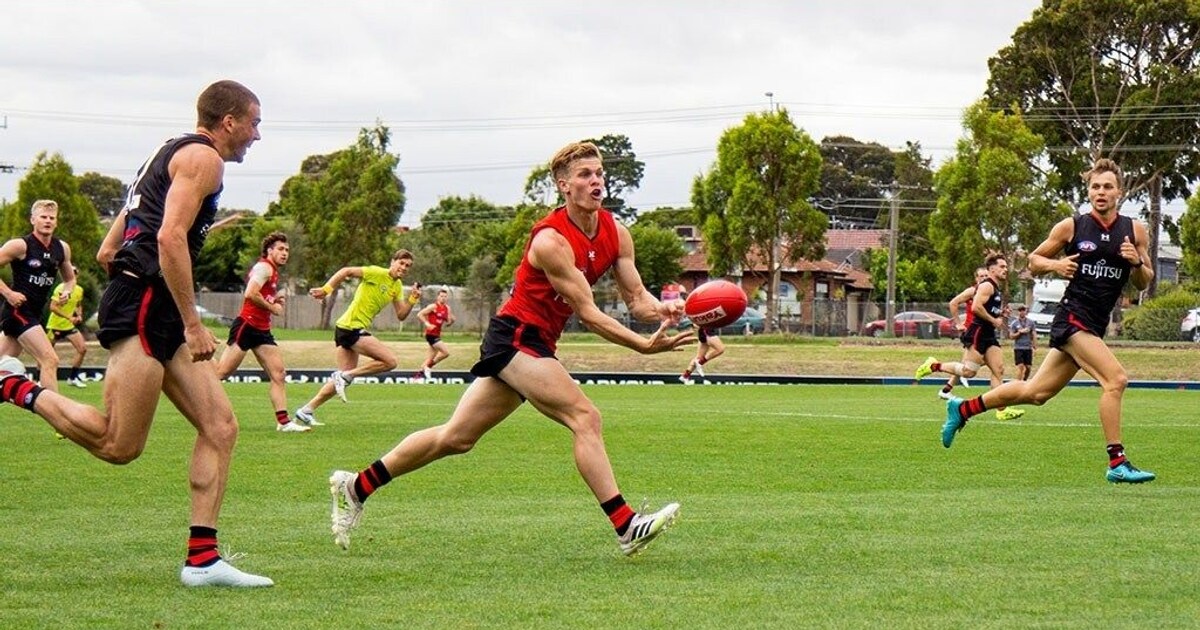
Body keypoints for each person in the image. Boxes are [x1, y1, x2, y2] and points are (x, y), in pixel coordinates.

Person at [326, 141, 693, 555]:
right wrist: (643, 346)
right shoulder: (550, 241)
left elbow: (637, 298)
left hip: (535, 342)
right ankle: (625, 526)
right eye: (585, 175)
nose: (596, 181)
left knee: (455, 438)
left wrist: (665, 308)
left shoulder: (617, 232)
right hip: (516, 336)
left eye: (600, 174)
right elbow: (588, 313)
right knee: (585, 416)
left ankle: (356, 486)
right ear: (564, 186)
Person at [0, 80, 273, 586]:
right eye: (255, 123)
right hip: (152, 302)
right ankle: (12, 385)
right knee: (118, 444)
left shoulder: (168, 153)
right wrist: (192, 322)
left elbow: (114, 243)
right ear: (229, 120)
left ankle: (203, 561)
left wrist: (125, 266)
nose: (257, 136)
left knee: (221, 428)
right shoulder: (204, 158)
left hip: (151, 298)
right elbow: (170, 236)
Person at [940, 158, 1156, 484]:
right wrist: (1056, 267)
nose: (1101, 192)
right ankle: (1117, 462)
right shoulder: (1071, 226)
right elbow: (1034, 261)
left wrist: (1136, 262)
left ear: (1119, 191)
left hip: (1094, 325)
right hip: (1071, 319)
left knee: (1036, 393)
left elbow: (1143, 281)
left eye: (1108, 186)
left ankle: (963, 409)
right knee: (1116, 379)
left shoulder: (1135, 230)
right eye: (1095, 187)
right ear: (1088, 191)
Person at [293, 250, 420, 426]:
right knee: (390, 361)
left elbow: (401, 315)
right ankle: (345, 375)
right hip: (350, 327)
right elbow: (346, 271)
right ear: (393, 262)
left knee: (342, 381)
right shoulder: (376, 272)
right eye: (402, 263)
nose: (404, 268)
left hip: (348, 329)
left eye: (408, 266)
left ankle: (306, 410)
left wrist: (412, 299)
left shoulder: (397, 286)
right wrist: (325, 289)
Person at [214, 232, 308, 433]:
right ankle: (192, 380)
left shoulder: (272, 271)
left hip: (262, 330)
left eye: (287, 250)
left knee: (279, 374)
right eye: (281, 249)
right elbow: (250, 293)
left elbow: (261, 297)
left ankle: (284, 423)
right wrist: (273, 307)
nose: (285, 253)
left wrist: (274, 302)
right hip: (247, 326)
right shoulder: (264, 267)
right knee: (221, 373)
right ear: (269, 251)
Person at [915, 255, 1024, 421]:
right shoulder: (987, 285)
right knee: (968, 372)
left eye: (1006, 267)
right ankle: (933, 365)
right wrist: (994, 320)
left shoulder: (995, 287)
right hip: (978, 332)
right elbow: (976, 307)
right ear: (992, 269)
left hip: (988, 334)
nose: (1005, 270)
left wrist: (1000, 313)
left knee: (998, 370)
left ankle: (1001, 410)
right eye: (1002, 266)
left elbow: (987, 308)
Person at [0, 199, 78, 393]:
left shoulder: (62, 248)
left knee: (2, 365)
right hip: (18, 311)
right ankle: (56, 412)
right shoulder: (20, 245)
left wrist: (66, 292)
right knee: (49, 359)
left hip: (34, 313)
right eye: (43, 217)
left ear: (56, 222)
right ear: (33, 219)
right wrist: (8, 293)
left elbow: (70, 280)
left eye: (52, 218)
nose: (48, 221)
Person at [46, 268, 88, 388]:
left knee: (82, 349)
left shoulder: (79, 290)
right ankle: (39, 379)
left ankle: (73, 378)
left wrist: (79, 315)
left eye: (75, 273)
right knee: (46, 353)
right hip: (55, 325)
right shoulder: (60, 289)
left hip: (69, 326)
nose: (72, 275)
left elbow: (78, 305)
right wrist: (69, 317)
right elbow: (53, 307)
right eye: (70, 272)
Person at [414, 286, 455, 381]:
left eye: (445, 296)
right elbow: (420, 314)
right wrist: (427, 324)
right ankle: (427, 367)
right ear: (437, 297)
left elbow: (448, 321)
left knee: (429, 359)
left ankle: (417, 377)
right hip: (430, 334)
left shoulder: (447, 308)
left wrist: (452, 320)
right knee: (445, 353)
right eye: (441, 296)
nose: (443, 298)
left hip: (437, 334)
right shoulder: (433, 306)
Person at [1009, 304, 1036, 381]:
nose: (1022, 312)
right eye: (1020, 310)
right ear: (1018, 312)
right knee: (1020, 366)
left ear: (1026, 312)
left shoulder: (1031, 322)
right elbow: (1011, 336)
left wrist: (1035, 344)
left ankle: (1024, 380)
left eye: (1024, 310)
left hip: (1028, 347)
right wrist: (1019, 333)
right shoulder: (1014, 323)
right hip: (1018, 348)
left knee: (1028, 367)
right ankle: (1018, 383)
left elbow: (1033, 333)